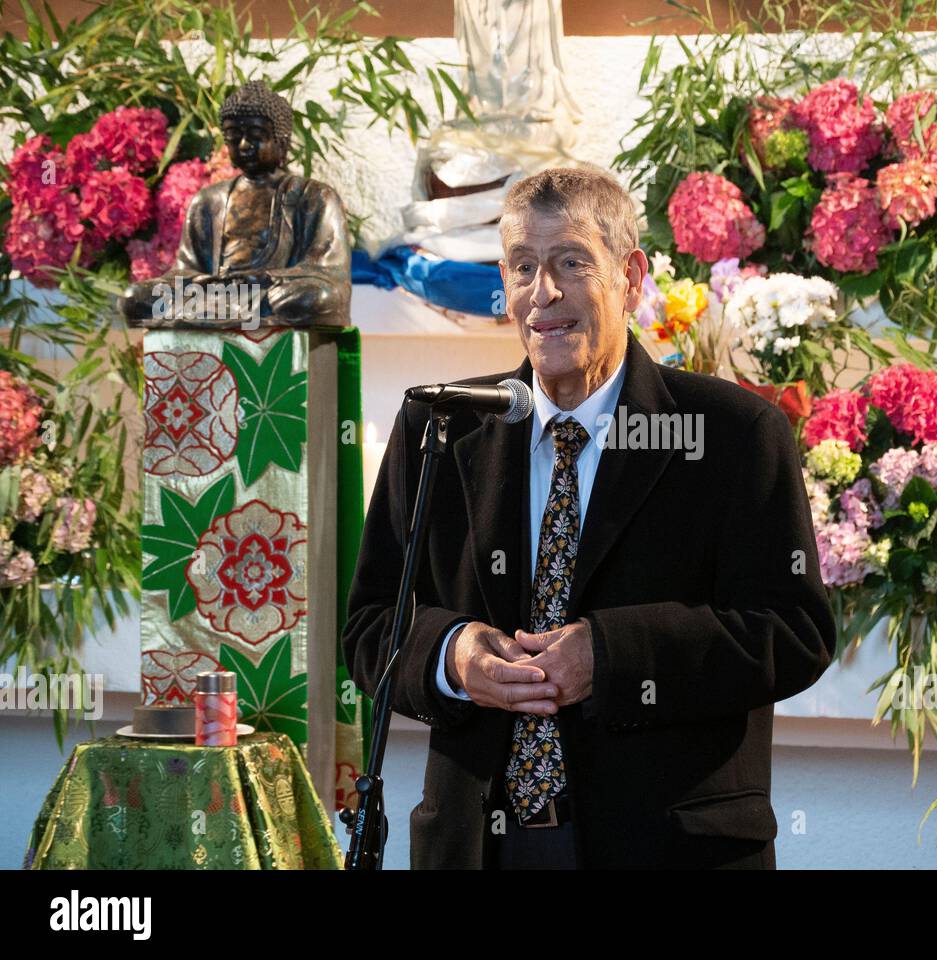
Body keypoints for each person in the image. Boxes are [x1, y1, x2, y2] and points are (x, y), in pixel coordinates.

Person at [342, 164, 835, 869]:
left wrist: (610, 656)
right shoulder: (441, 423)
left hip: (667, 849)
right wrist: (453, 656)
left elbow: (794, 632)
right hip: (474, 846)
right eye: (522, 267)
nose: (543, 293)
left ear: (630, 278)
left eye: (571, 263)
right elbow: (369, 626)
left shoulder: (732, 433)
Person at [119, 80, 351, 328]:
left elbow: (329, 271)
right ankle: (232, 311)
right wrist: (204, 283)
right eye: (233, 137)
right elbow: (185, 268)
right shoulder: (208, 200)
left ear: (282, 142)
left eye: (255, 136)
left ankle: (230, 311)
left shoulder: (313, 196)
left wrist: (262, 279)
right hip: (216, 295)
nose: (243, 145)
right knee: (135, 299)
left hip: (270, 293)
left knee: (312, 299)